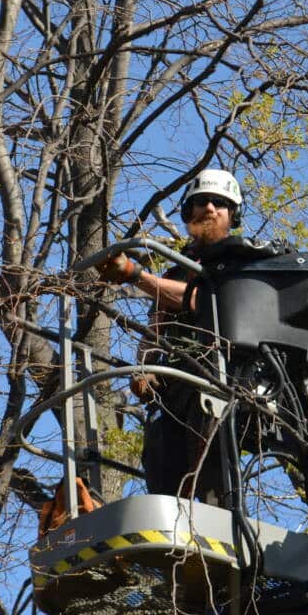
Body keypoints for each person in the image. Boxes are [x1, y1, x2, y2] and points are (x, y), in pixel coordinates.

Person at [97, 170, 247, 504]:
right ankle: (175, 536)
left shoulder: (240, 258)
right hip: (175, 379)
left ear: (232, 213)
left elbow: (202, 298)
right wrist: (144, 368)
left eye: (219, 202)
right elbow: (157, 325)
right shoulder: (177, 270)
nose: (208, 208)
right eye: (199, 202)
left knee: (210, 465)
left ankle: (213, 537)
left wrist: (136, 275)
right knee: (160, 459)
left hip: (219, 376)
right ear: (188, 213)